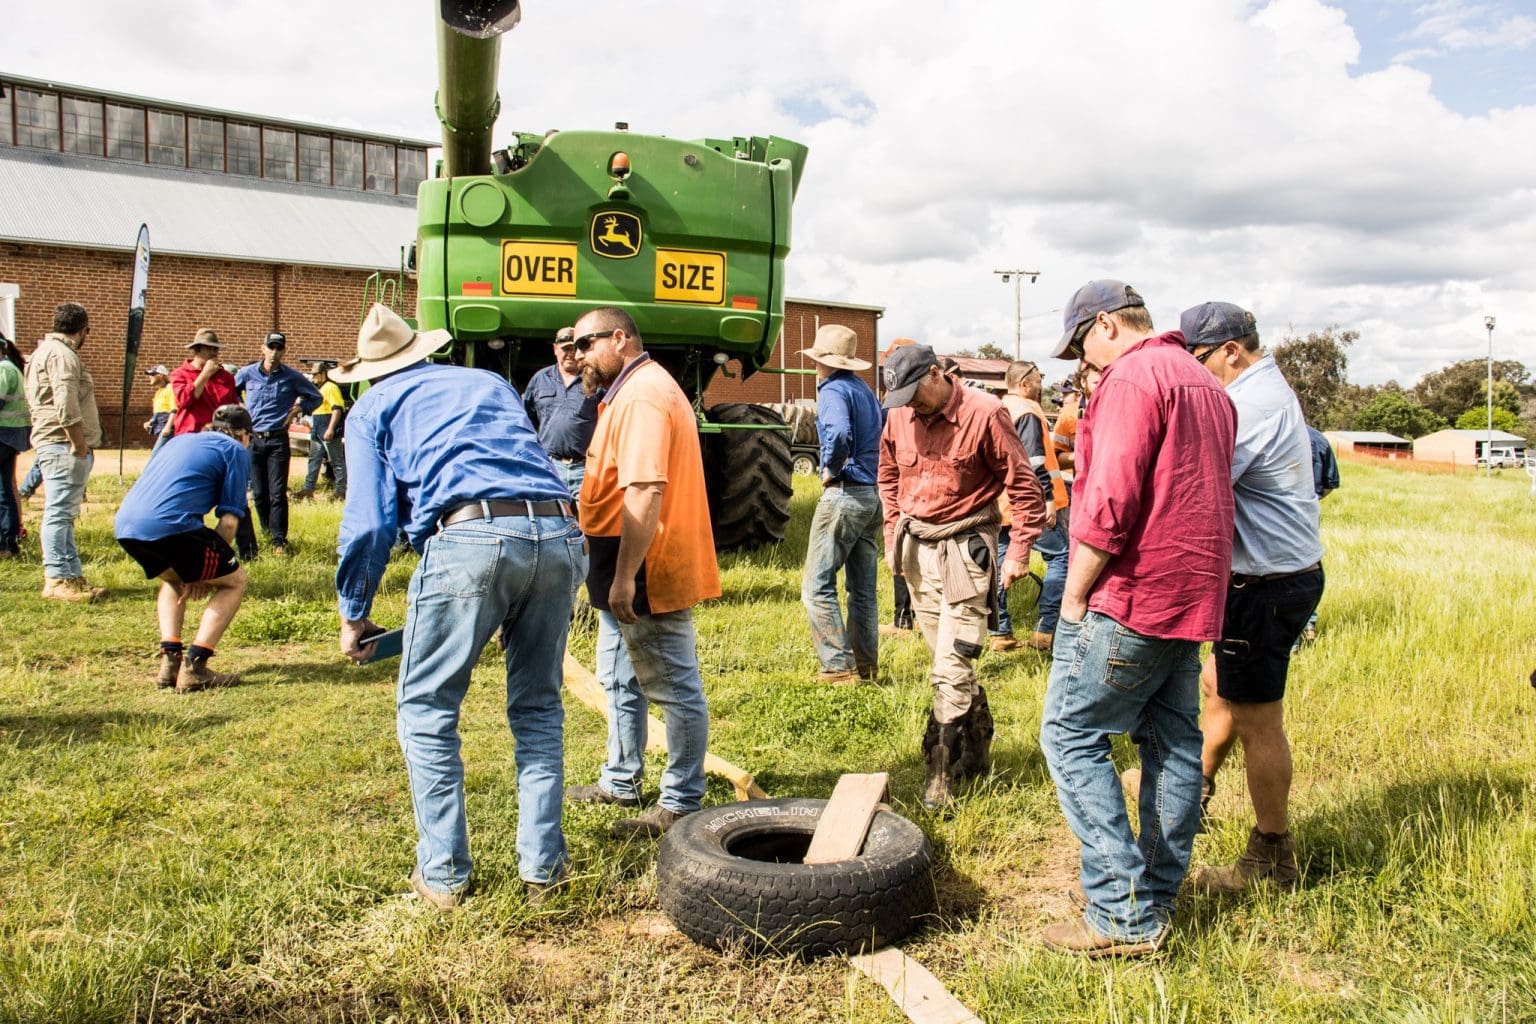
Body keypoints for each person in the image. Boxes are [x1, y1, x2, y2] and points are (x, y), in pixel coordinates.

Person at [334, 304, 584, 909]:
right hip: (557, 532)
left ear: (370, 371)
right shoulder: (489, 382)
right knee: (538, 707)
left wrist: (354, 610)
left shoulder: (370, 408)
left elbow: (369, 523)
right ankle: (543, 871)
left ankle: (444, 876)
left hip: (469, 538)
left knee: (426, 707)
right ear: (423, 351)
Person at [1037, 281, 1236, 958]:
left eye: (1080, 345)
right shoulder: (1202, 379)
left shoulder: (1131, 378)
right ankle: (1153, 895)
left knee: (1069, 736)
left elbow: (1111, 501)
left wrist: (1071, 596)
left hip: (1132, 594)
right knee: (1175, 745)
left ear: (1104, 326)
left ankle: (1121, 913)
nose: (1083, 362)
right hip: (1191, 596)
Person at [1179, 301, 1326, 895]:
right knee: (1220, 683)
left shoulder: (1247, 405)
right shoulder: (1265, 389)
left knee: (1259, 718)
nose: (1195, 372)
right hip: (1280, 575)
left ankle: (1272, 855)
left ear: (1231, 351)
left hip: (1261, 584)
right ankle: (1199, 789)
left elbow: (1200, 482)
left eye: (1199, 360)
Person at [566, 306, 720, 838]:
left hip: (645, 562)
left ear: (619, 337)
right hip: (621, 560)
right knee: (618, 678)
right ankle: (621, 779)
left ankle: (681, 800)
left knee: (674, 686)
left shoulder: (642, 394)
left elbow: (645, 489)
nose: (576, 354)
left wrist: (627, 575)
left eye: (585, 344)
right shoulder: (630, 389)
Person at [878, 344, 1045, 809]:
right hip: (916, 548)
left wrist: (1019, 552)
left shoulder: (986, 414)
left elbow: (1024, 485)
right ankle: (979, 736)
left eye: (916, 392)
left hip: (964, 548)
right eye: (901, 398)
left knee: (951, 665)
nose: (911, 404)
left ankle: (941, 774)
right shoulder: (898, 415)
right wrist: (893, 533)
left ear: (937, 373)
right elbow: (888, 475)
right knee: (943, 659)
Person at [114, 404, 253, 693]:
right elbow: (228, 523)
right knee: (235, 582)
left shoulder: (180, 439)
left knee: (175, 580)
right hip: (171, 527)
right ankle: (196, 666)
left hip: (127, 526)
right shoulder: (235, 450)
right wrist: (203, 571)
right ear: (242, 434)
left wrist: (194, 569)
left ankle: (170, 661)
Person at [799, 324, 882, 683]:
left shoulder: (832, 390)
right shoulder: (862, 389)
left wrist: (830, 468)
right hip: (870, 496)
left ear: (823, 361)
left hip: (845, 493)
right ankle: (865, 665)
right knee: (862, 589)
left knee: (816, 586)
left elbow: (838, 434)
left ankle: (837, 666)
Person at [24, 302, 108, 602]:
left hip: (56, 441)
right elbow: (65, 401)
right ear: (83, 330)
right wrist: (78, 443)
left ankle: (71, 576)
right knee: (59, 514)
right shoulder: (62, 355)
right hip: (63, 443)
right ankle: (58, 579)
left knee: (64, 513)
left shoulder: (43, 352)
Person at [993, 360, 1069, 653]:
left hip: (1001, 502)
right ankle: (1045, 630)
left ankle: (1000, 632)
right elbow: (1034, 462)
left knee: (999, 566)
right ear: (1024, 383)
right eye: (1038, 380)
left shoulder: (999, 408)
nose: (1041, 385)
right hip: (1027, 503)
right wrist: (1047, 500)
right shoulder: (1027, 412)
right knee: (1061, 556)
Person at [235, 332, 321, 557]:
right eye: (270, 347)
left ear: (283, 351)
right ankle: (265, 529)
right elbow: (229, 391)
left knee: (277, 492)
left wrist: (298, 409)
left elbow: (316, 397)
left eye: (278, 348)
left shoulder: (291, 377)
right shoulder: (248, 374)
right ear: (262, 349)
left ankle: (279, 540)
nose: (274, 352)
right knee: (260, 492)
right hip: (254, 439)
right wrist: (239, 410)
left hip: (278, 439)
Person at [524, 326, 603, 504]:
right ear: (555, 349)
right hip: (550, 465)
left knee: (587, 523)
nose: (570, 354)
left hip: (585, 468)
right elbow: (527, 419)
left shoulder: (595, 380)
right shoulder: (540, 379)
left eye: (575, 349)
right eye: (566, 348)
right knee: (550, 518)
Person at [1297, 426, 1339, 647]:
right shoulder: (1317, 438)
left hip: (1269, 514)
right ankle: (1308, 625)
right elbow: (1329, 484)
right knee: (1305, 564)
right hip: (1308, 514)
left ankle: (1293, 638)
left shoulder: (1266, 429)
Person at [170, 329, 240, 436]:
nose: (214, 352)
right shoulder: (180, 374)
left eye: (216, 348)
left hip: (219, 437)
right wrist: (205, 373)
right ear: (197, 349)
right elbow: (184, 401)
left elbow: (233, 409)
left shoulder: (226, 377)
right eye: (209, 348)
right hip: (191, 435)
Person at [298, 361, 347, 501]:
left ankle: (340, 491)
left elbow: (337, 409)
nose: (313, 377)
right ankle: (308, 489)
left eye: (315, 374)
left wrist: (331, 428)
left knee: (336, 461)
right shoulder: (318, 388)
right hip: (318, 427)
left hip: (327, 426)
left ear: (323, 373)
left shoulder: (331, 387)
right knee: (314, 459)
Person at [0, 336, 29, 557]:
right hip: (11, 435)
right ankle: (8, 543)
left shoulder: (4, 369)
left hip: (4, 434)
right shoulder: (12, 368)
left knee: (3, 491)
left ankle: (6, 543)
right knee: (4, 489)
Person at [142, 365, 176, 459]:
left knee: (155, 456)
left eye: (152, 374)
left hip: (168, 429)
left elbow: (174, 409)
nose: (150, 377)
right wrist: (150, 421)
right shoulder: (159, 392)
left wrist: (168, 427)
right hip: (161, 427)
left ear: (161, 375)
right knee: (166, 456)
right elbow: (160, 410)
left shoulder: (170, 388)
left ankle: (147, 473)